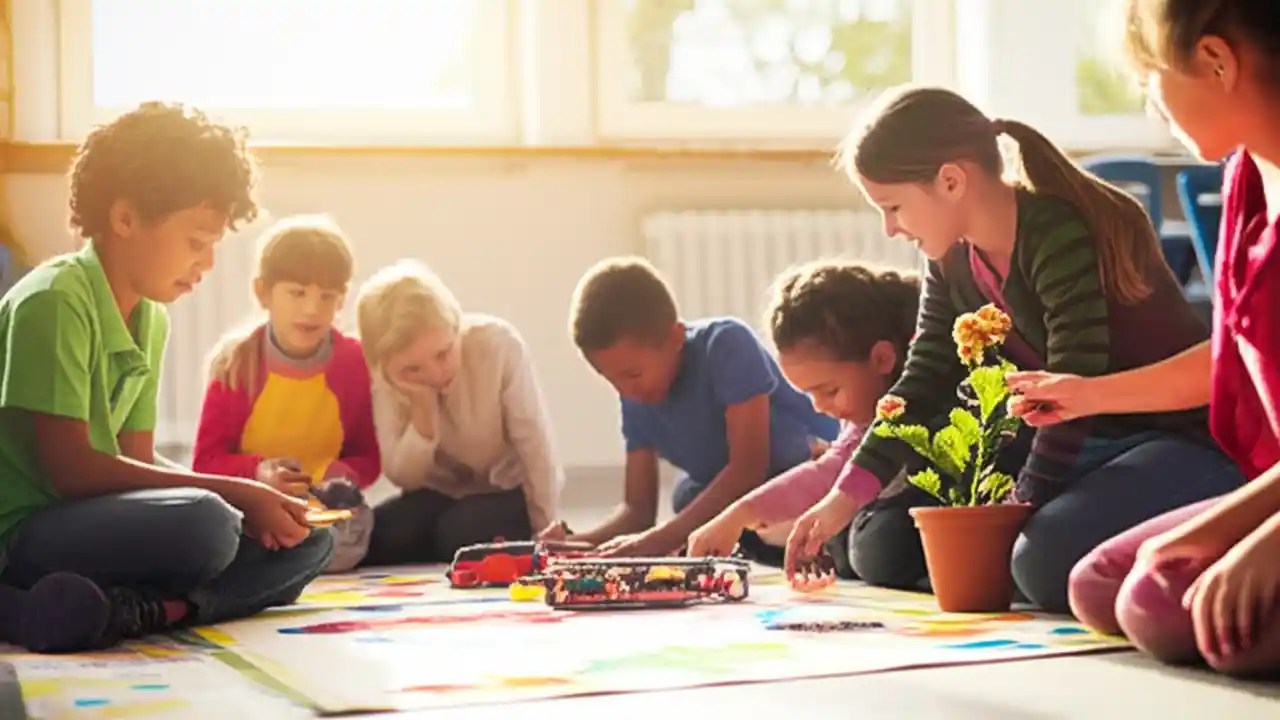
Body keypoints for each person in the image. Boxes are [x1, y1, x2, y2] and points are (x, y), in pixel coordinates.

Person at [783, 85, 1242, 611]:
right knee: (881, 544)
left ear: (950, 181)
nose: (890, 229)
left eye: (893, 207)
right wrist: (842, 498)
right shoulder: (951, 261)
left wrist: (1021, 502)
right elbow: (920, 382)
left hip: (1173, 440)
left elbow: (1069, 391)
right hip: (1083, 447)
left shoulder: (1055, 234)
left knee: (1040, 561)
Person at [0, 102, 332, 653]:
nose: (207, 264)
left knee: (311, 537)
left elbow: (136, 458)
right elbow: (72, 470)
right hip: (25, 530)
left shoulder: (149, 317)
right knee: (208, 525)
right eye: (196, 242)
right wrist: (234, 493)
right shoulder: (54, 301)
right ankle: (50, 597)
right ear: (125, 218)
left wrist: (256, 500)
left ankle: (148, 609)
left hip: (89, 521)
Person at [1013, 0, 1280, 675]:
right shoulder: (1246, 178)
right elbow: (1235, 353)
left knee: (1161, 608)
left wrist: (1263, 539)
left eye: (1149, 80)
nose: (1151, 107)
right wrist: (1089, 394)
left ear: (1216, 62)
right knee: (1101, 584)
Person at [538, 257, 839, 559]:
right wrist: (575, 542)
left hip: (808, 473)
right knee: (687, 497)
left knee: (691, 522)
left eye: (633, 375)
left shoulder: (725, 344)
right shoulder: (635, 397)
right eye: (610, 379)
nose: (625, 391)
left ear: (675, 338)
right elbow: (638, 511)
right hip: (740, 505)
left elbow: (747, 470)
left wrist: (656, 541)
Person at [687, 261, 929, 583]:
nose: (819, 407)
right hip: (877, 509)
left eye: (829, 391)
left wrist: (742, 512)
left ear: (882, 359)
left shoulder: (911, 395)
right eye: (810, 395)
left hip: (926, 513)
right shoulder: (862, 409)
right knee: (831, 536)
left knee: (876, 544)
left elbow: (829, 471)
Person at [192, 215, 379, 572]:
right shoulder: (236, 364)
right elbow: (206, 462)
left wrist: (344, 472)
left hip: (326, 511)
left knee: (343, 537)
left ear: (342, 300)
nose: (312, 309)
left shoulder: (353, 362)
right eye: (297, 293)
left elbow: (368, 456)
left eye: (327, 296)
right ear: (263, 292)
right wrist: (259, 472)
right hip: (254, 513)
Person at [357, 260, 564, 565]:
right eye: (412, 369)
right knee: (381, 536)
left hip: (505, 489)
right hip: (439, 494)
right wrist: (423, 412)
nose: (435, 374)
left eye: (443, 354)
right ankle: (442, 542)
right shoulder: (386, 377)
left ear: (456, 328)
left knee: (458, 533)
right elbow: (405, 478)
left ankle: (457, 542)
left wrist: (544, 527)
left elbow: (535, 446)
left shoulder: (497, 346)